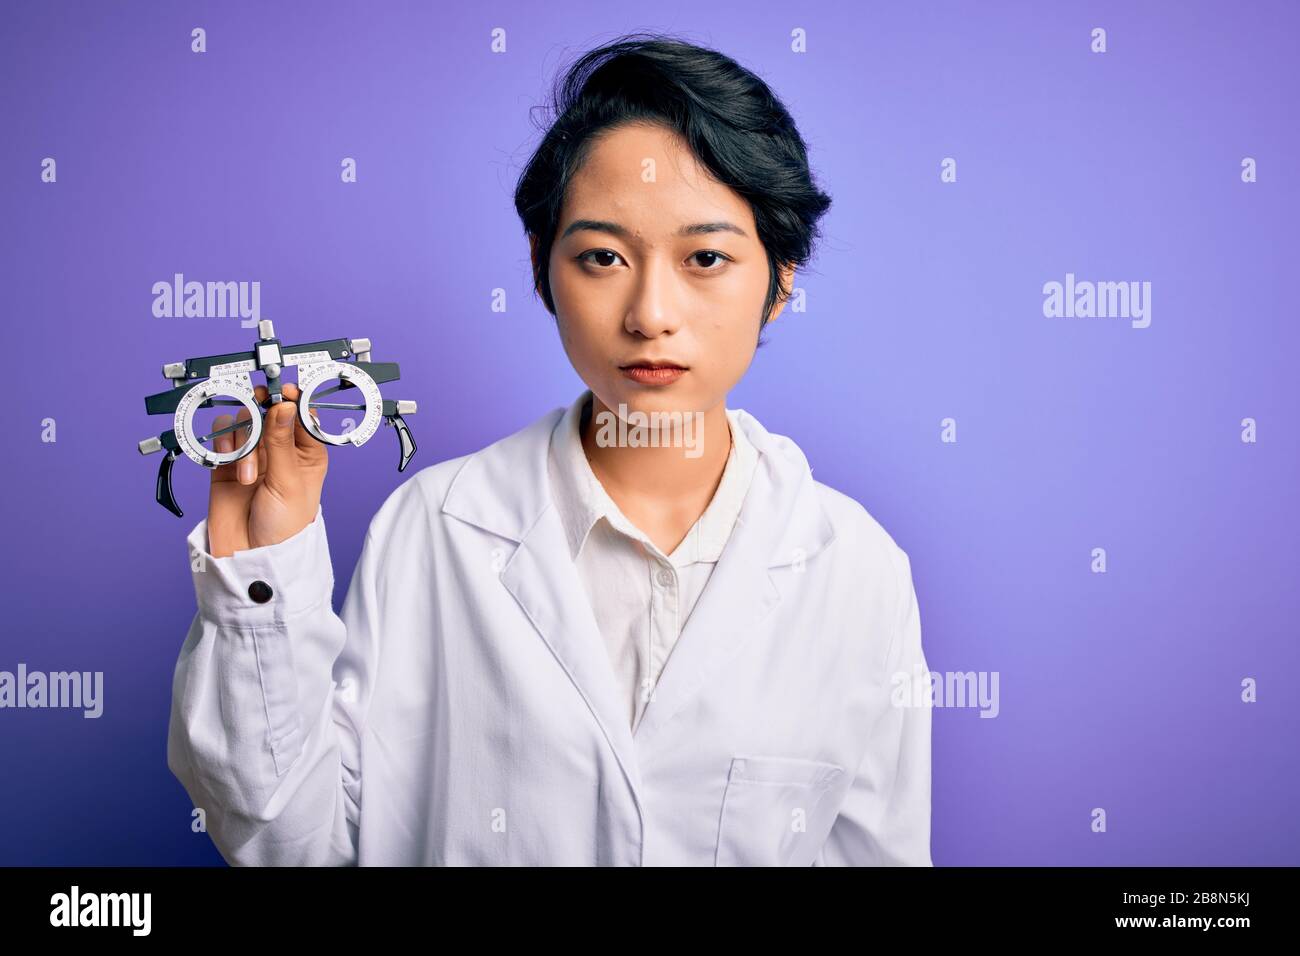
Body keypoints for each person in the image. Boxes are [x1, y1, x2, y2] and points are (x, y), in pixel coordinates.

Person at [167, 33, 933, 866]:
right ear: (541, 268)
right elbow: (289, 840)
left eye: (705, 257)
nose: (651, 313)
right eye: (602, 257)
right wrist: (261, 574)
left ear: (781, 279)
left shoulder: (855, 568)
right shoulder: (434, 528)